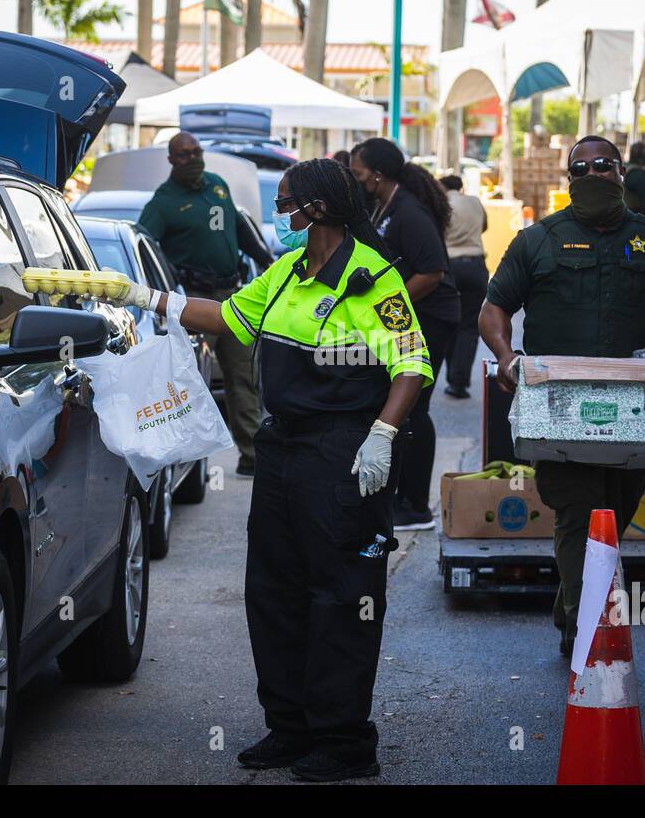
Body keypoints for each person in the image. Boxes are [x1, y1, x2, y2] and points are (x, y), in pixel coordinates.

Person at [119, 158, 431, 781]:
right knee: (275, 590)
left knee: (342, 596)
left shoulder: (371, 280)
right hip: (284, 449)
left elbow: (411, 365)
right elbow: (228, 318)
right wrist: (143, 296)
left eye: (287, 203)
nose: (280, 215)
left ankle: (343, 742)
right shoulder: (287, 272)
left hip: (342, 451)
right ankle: (289, 727)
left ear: (316, 209)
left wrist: (381, 435)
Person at [479, 136, 645, 657]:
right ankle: (585, 633)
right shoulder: (537, 241)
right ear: (568, 178)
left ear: (621, 173)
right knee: (578, 514)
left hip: (634, 416)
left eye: (601, 165)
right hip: (560, 414)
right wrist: (508, 356)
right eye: (578, 167)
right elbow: (493, 310)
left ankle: (573, 605)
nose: (590, 174)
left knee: (618, 511)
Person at [137, 132, 273, 477]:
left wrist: (266, 259)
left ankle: (252, 455)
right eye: (184, 154)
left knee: (243, 376)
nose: (194, 159)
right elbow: (146, 248)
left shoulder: (217, 186)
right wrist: (166, 286)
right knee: (187, 381)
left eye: (197, 152)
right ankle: (183, 460)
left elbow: (240, 229)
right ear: (171, 160)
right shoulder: (162, 203)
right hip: (193, 300)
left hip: (232, 295)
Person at [349, 137, 460, 531]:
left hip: (431, 316)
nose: (355, 180)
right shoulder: (385, 205)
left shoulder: (409, 213)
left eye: (359, 174)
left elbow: (433, 272)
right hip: (409, 317)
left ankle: (416, 506)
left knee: (416, 407)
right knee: (404, 407)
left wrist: (385, 307)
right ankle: (401, 497)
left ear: (377, 176)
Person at [438, 174, 488, 399]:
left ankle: (453, 378)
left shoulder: (442, 204)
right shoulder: (475, 202)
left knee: (450, 323)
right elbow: (484, 226)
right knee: (469, 326)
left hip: (451, 266)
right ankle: (460, 382)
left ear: (442, 187)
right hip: (476, 265)